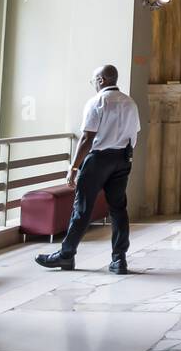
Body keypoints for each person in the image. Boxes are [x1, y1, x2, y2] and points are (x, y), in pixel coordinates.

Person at [35, 64, 141, 274]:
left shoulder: (97, 102)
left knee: (82, 208)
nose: (93, 84)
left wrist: (73, 168)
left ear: (101, 80)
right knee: (118, 209)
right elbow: (134, 134)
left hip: (98, 160)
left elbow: (87, 138)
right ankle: (119, 260)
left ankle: (66, 255)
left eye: (94, 80)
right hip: (122, 158)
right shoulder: (130, 103)